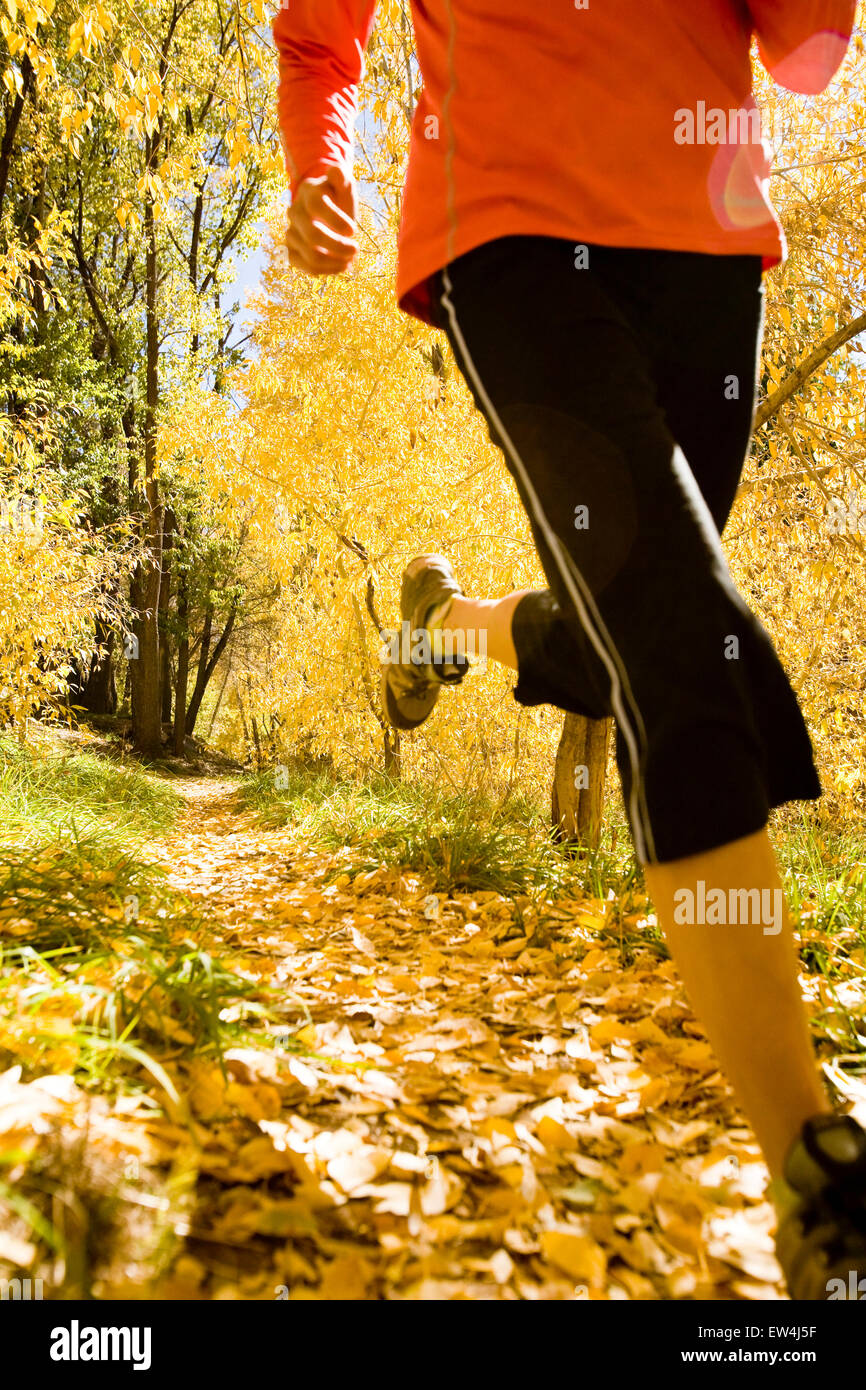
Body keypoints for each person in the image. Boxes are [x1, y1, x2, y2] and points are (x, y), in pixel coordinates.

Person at [274, 1, 866, 1299]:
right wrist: (321, 166)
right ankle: (818, 1175)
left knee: (621, 649)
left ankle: (436, 631)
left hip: (703, 237)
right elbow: (318, 32)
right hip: (512, 231)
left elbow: (807, 48)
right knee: (674, 632)